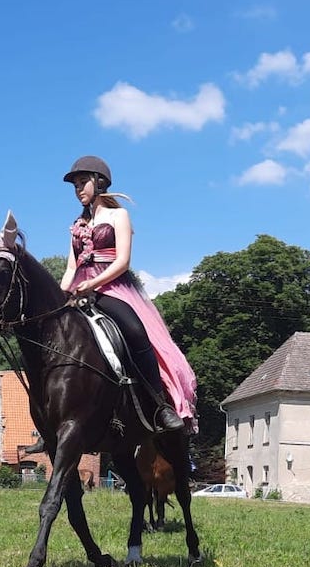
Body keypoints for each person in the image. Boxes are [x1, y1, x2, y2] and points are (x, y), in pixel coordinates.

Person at [23, 155, 197, 455]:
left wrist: (92, 283)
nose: (78, 190)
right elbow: (70, 267)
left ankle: (159, 406)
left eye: (82, 183)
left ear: (99, 182)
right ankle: (48, 424)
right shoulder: (76, 225)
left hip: (114, 289)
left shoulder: (119, 217)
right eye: (75, 185)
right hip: (80, 290)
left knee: (135, 332)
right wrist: (61, 294)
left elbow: (123, 261)